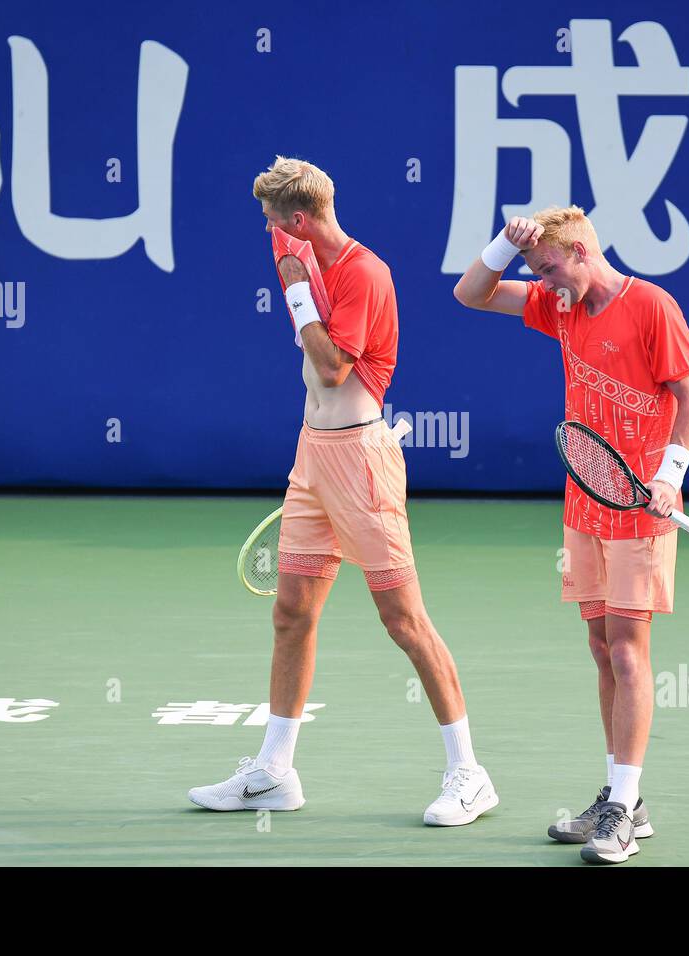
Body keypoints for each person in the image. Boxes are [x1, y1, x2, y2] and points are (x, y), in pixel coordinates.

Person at [188, 157, 497, 826]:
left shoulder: (365, 274)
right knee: (291, 611)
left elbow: (331, 369)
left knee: (403, 621)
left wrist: (298, 291)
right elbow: (286, 235)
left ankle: (469, 774)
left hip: (360, 459)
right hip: (310, 458)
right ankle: (274, 772)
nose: (270, 232)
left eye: (275, 222)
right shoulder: (290, 239)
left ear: (300, 221)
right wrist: (290, 249)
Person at [452, 207, 689, 863]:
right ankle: (626, 797)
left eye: (550, 267)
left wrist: (670, 474)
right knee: (601, 646)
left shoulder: (651, 305)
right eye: (537, 271)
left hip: (640, 507)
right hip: (584, 502)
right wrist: (506, 247)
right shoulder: (559, 307)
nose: (545, 281)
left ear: (584, 252)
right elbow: (471, 294)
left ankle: (622, 809)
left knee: (627, 650)